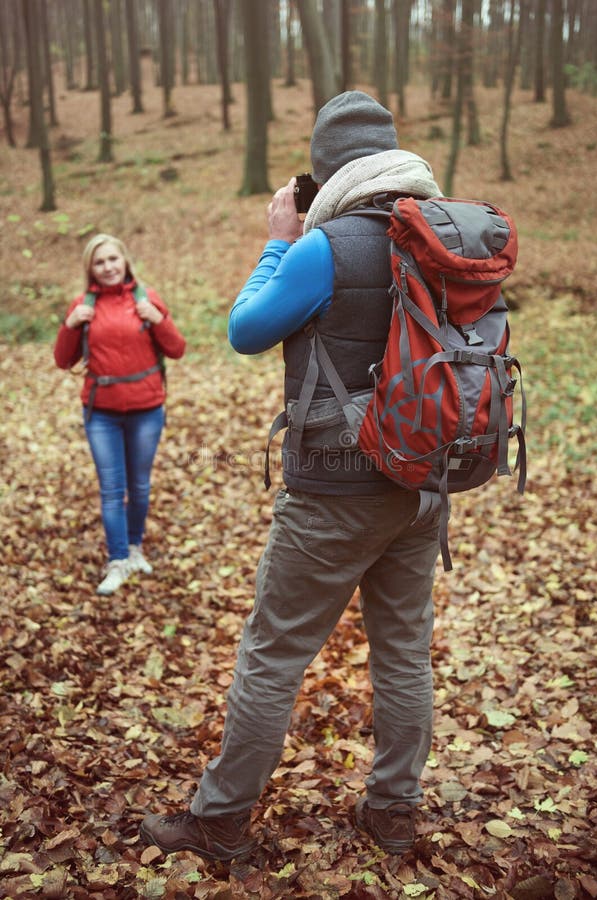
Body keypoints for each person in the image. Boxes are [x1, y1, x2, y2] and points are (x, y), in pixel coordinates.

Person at [140, 92, 442, 860]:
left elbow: (245, 330)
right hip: (423, 480)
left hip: (335, 487)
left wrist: (280, 240)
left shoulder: (325, 246)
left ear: (326, 171)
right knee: (403, 651)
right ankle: (393, 812)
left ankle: (217, 821)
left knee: (273, 653)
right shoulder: (441, 235)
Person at [54, 233, 185, 596]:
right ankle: (117, 560)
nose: (108, 267)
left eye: (113, 259)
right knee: (112, 489)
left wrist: (158, 319)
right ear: (90, 269)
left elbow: (177, 349)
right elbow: (63, 360)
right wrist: (70, 325)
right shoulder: (83, 305)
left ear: (124, 261)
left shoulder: (146, 298)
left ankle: (134, 548)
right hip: (101, 413)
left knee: (139, 486)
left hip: (147, 409)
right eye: (100, 262)